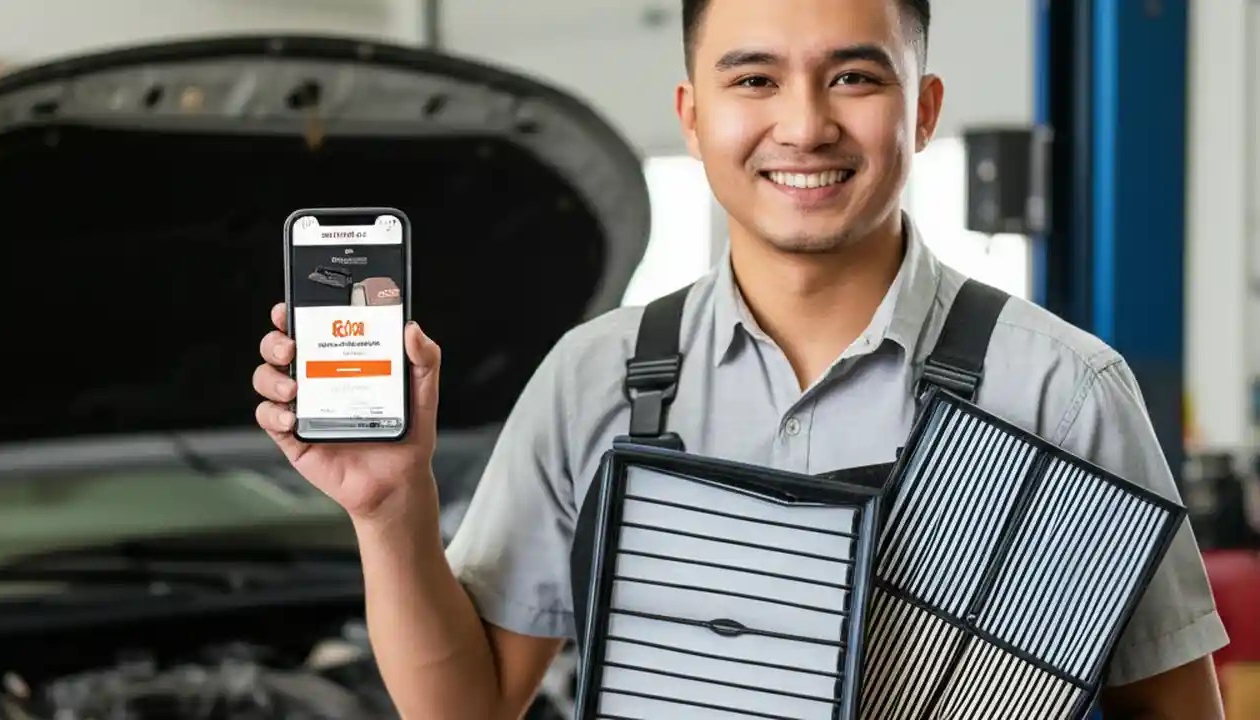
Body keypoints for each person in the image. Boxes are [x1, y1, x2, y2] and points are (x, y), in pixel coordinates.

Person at [251, 0, 1230, 717]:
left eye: (853, 75)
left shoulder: (1061, 393)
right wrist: (388, 510)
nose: (803, 125)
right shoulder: (591, 380)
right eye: (753, 78)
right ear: (690, 114)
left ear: (922, 108)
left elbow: (1175, 710)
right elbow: (465, 710)